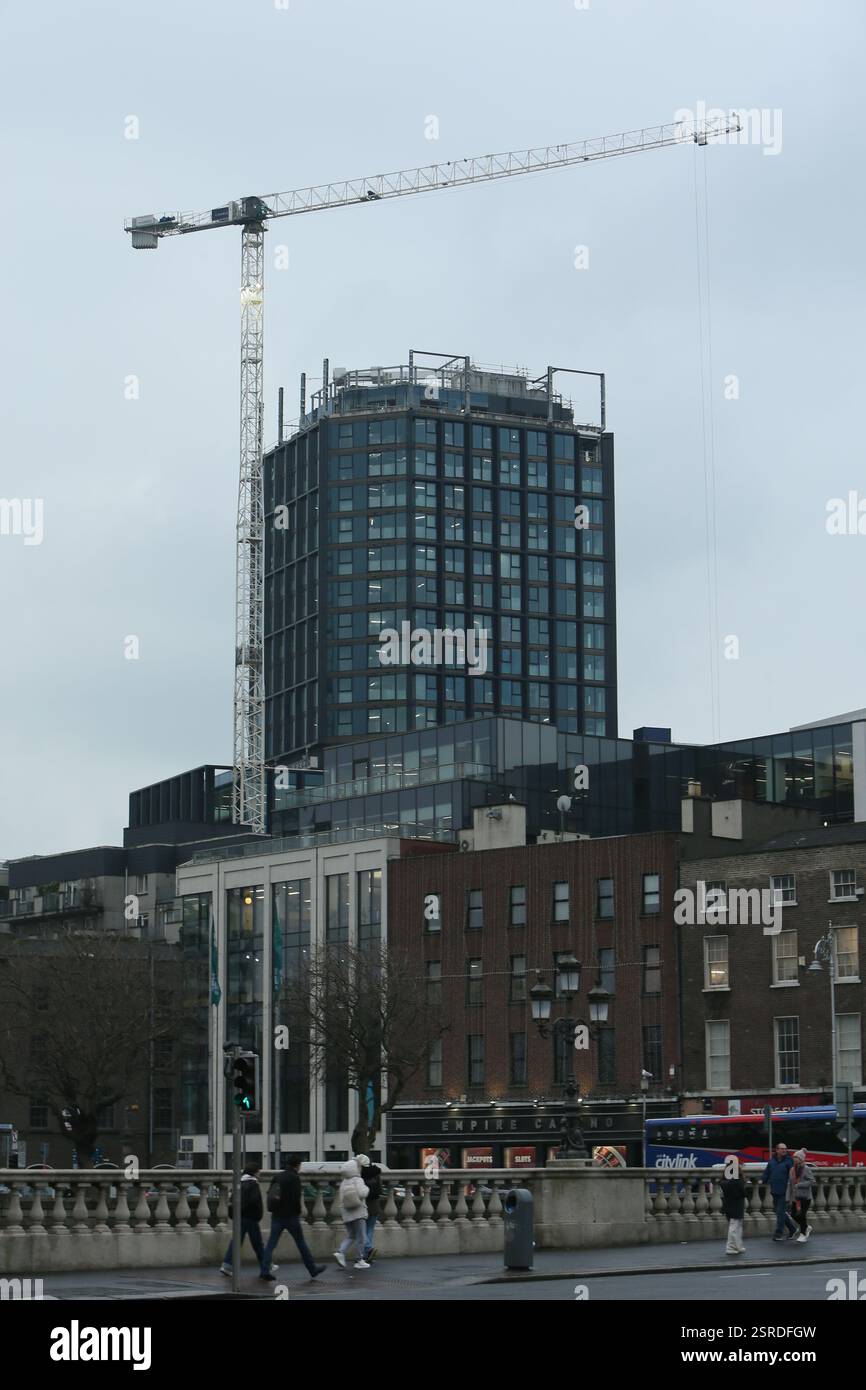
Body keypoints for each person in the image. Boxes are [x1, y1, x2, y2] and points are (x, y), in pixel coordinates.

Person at [261, 1154, 326, 1281]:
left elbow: (271, 1193)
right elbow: (296, 1199)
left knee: (271, 1245)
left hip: (277, 1215)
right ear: (297, 1165)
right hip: (290, 1216)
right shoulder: (294, 1178)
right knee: (301, 1244)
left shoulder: (278, 1176)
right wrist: (297, 1211)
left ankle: (264, 1270)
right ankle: (312, 1269)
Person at [220, 1162, 270, 1278]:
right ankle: (266, 1266)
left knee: (237, 1242)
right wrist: (257, 1215)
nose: (260, 1173)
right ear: (254, 1172)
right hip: (250, 1218)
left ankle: (227, 1266)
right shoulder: (253, 1184)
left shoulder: (240, 1183)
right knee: (257, 1243)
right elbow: (254, 1202)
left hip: (240, 1217)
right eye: (259, 1171)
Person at [334, 1158, 369, 1270]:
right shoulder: (357, 1180)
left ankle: (340, 1252)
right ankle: (359, 1260)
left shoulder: (343, 1182)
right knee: (361, 1237)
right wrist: (367, 1189)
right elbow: (363, 1193)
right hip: (358, 1212)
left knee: (351, 1235)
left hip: (347, 1213)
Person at [762, 1142, 797, 1242]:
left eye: (785, 1149)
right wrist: (763, 1180)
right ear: (777, 1150)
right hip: (774, 1190)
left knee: (780, 1212)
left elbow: (793, 1174)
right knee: (779, 1212)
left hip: (784, 1190)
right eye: (782, 1149)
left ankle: (778, 1233)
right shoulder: (772, 1161)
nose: (784, 1150)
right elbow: (767, 1172)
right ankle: (792, 1229)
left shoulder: (789, 1161)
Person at [356, 1154, 381, 1261]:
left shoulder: (358, 1174)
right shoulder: (376, 1173)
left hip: (363, 1205)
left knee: (361, 1231)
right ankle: (367, 1254)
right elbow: (379, 1189)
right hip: (375, 1205)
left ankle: (368, 1249)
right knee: (370, 1230)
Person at [720, 1160, 747, 1255]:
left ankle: (736, 1246)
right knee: (735, 1226)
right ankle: (731, 1247)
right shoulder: (736, 1179)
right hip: (736, 1204)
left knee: (735, 1225)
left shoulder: (725, 1179)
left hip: (729, 1204)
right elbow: (742, 1191)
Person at [788, 1148, 815, 1243]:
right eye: (794, 1157)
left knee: (801, 1215)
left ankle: (803, 1234)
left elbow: (812, 1181)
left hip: (805, 1197)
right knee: (793, 1215)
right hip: (795, 1197)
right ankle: (806, 1227)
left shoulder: (806, 1169)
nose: (794, 1159)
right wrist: (789, 1197)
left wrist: (800, 1185)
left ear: (801, 1159)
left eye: (797, 1157)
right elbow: (790, 1184)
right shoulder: (792, 1169)